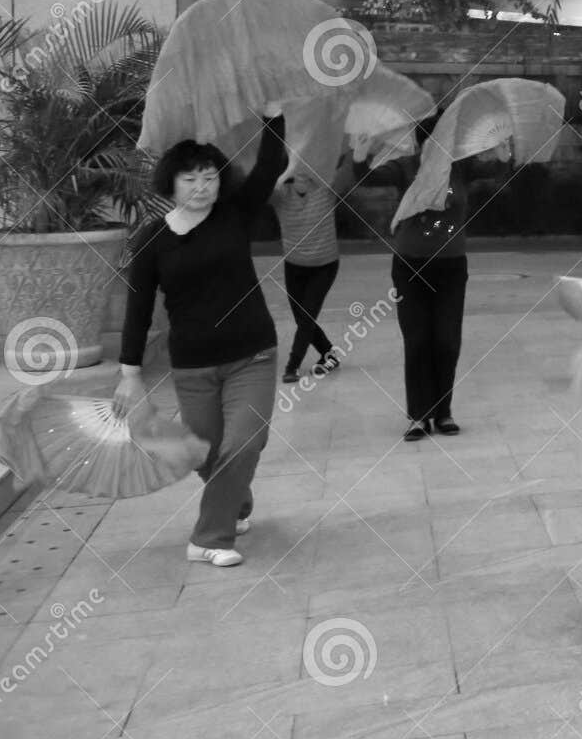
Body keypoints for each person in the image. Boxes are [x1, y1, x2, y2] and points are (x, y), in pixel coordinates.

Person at [112, 107, 287, 568]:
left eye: (209, 177)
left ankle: (209, 538)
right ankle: (236, 503)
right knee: (205, 453)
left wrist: (273, 116)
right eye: (190, 179)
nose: (202, 186)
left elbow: (270, 166)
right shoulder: (151, 241)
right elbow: (138, 309)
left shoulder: (235, 215)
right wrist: (130, 374)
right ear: (170, 184)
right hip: (193, 366)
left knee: (244, 442)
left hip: (252, 354)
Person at [355, 121, 499, 442]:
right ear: (422, 144)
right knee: (418, 341)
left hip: (451, 268)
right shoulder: (407, 167)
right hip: (410, 267)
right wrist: (360, 155)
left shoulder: (461, 167)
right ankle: (419, 415)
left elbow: (497, 172)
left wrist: (503, 154)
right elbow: (367, 177)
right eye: (433, 142)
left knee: (447, 341)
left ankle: (443, 411)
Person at [272, 169, 343, 383]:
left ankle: (292, 366)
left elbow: (350, 171)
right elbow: (259, 182)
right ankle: (329, 355)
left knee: (306, 317)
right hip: (294, 265)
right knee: (301, 317)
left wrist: (356, 151)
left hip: (325, 265)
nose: (302, 174)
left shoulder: (326, 188)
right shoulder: (280, 193)